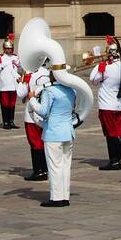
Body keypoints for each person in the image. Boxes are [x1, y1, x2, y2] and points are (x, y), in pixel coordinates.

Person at [30, 68, 78, 208]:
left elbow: (43, 112)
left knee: (54, 166)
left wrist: (32, 99)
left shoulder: (49, 91)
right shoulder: (71, 91)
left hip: (53, 133)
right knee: (65, 166)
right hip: (68, 132)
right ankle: (65, 196)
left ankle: (56, 197)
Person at [89, 36, 121, 171]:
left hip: (107, 105)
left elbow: (93, 79)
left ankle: (114, 161)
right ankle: (119, 160)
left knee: (111, 134)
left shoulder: (107, 68)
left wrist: (99, 64)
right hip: (119, 104)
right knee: (118, 132)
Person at [16, 62, 50, 181]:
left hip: (32, 114)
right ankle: (45, 169)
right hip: (46, 113)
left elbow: (20, 93)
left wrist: (22, 81)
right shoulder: (49, 73)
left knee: (35, 143)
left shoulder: (30, 74)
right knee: (45, 142)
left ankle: (39, 171)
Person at [0, 34, 21, 130]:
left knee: (12, 104)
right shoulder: (0, 57)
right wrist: (4, 65)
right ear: (4, 49)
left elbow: (20, 66)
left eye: (11, 48)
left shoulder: (15, 57)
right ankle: (6, 122)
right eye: (7, 49)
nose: (9, 50)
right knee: (5, 104)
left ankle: (11, 121)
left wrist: (18, 63)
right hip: (4, 85)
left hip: (14, 84)